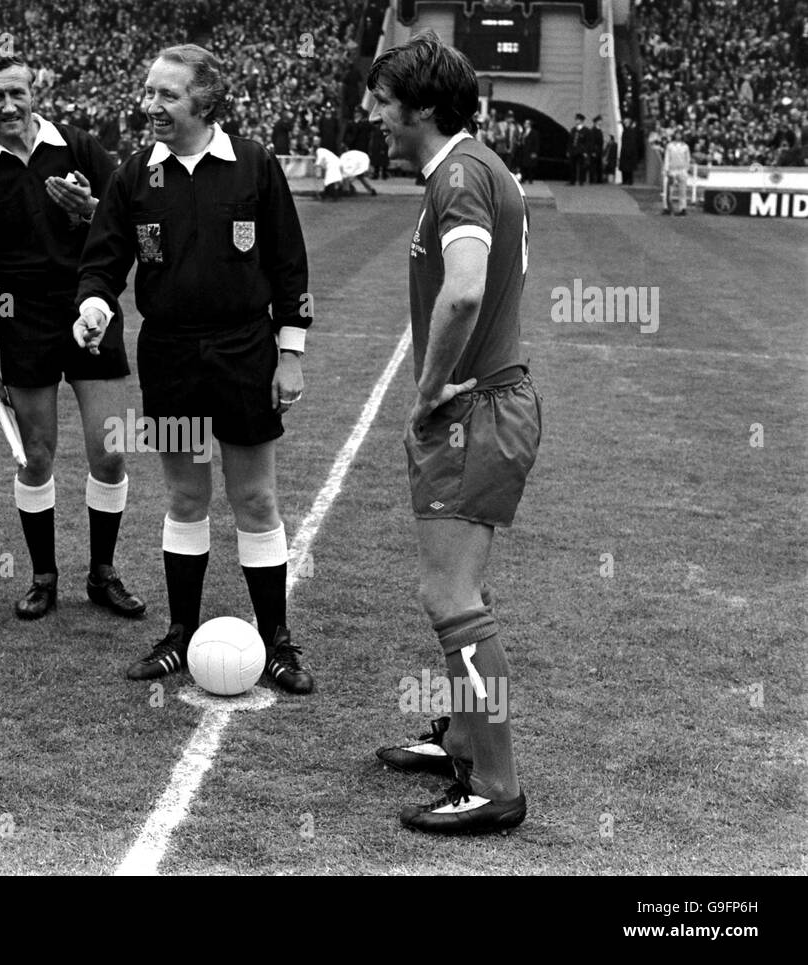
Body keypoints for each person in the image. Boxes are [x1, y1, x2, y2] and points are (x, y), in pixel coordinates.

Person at [75, 44, 315, 694]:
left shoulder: (254, 166)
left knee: (255, 497)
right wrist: (95, 304)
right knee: (185, 497)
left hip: (244, 351)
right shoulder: (134, 175)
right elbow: (103, 260)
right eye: (149, 91)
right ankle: (180, 633)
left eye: (167, 95)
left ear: (203, 102)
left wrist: (289, 353)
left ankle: (277, 642)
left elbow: (290, 264)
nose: (151, 105)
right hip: (171, 354)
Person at [365, 31, 540, 833]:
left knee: (450, 594)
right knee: (460, 587)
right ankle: (462, 737)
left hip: (475, 410)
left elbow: (463, 293)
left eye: (384, 104)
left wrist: (429, 389)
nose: (375, 118)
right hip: (490, 405)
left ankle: (495, 786)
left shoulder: (461, 177)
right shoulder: (472, 168)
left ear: (424, 109)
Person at [0, 51, 144, 621]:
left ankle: (103, 574)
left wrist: (91, 210)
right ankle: (43, 576)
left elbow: (128, 226)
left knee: (108, 451)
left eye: (16, 92)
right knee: (35, 458)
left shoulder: (80, 148)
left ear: (35, 91)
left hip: (91, 310)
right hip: (22, 324)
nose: (7, 105)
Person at [663, 127, 691, 215]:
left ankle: (683, 208)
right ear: (674, 135)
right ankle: (667, 208)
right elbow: (667, 158)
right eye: (677, 134)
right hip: (672, 170)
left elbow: (688, 159)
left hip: (682, 170)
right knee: (669, 191)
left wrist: (686, 169)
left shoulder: (685, 146)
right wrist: (666, 169)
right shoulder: (670, 145)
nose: (678, 135)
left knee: (682, 191)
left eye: (680, 134)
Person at [619, 116, 641, 185]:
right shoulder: (625, 130)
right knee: (624, 167)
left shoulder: (630, 131)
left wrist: (629, 151)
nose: (625, 123)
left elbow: (631, 142)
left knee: (629, 168)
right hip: (624, 151)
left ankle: (629, 181)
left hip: (629, 152)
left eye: (626, 122)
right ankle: (625, 180)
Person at [568, 113, 589, 184]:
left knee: (581, 166)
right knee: (572, 166)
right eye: (576, 119)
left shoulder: (586, 130)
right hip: (573, 151)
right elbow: (570, 141)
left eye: (577, 120)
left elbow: (587, 142)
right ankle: (572, 180)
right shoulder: (573, 130)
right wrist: (568, 150)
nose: (576, 121)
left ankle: (581, 181)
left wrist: (586, 152)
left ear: (581, 121)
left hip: (581, 151)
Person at [588, 115, 605, 183]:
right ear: (596, 122)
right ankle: (592, 180)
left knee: (599, 165)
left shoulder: (599, 130)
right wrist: (593, 151)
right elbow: (592, 142)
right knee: (593, 165)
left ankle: (599, 180)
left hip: (599, 151)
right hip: (595, 150)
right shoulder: (593, 130)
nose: (601, 122)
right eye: (600, 121)